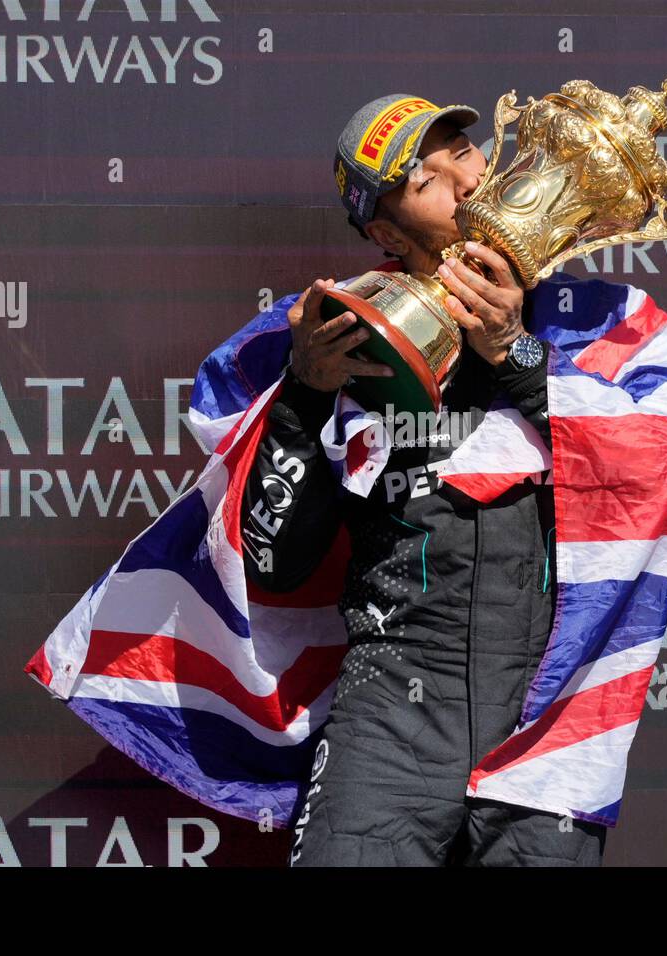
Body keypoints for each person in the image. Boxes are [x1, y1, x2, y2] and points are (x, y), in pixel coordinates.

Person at [241, 94, 607, 866]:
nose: (465, 178)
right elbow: (271, 559)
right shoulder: (340, 341)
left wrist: (514, 352)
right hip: (393, 707)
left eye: (463, 150)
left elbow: (637, 481)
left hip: (547, 710)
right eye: (426, 177)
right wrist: (304, 394)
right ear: (383, 230)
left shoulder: (589, 325)